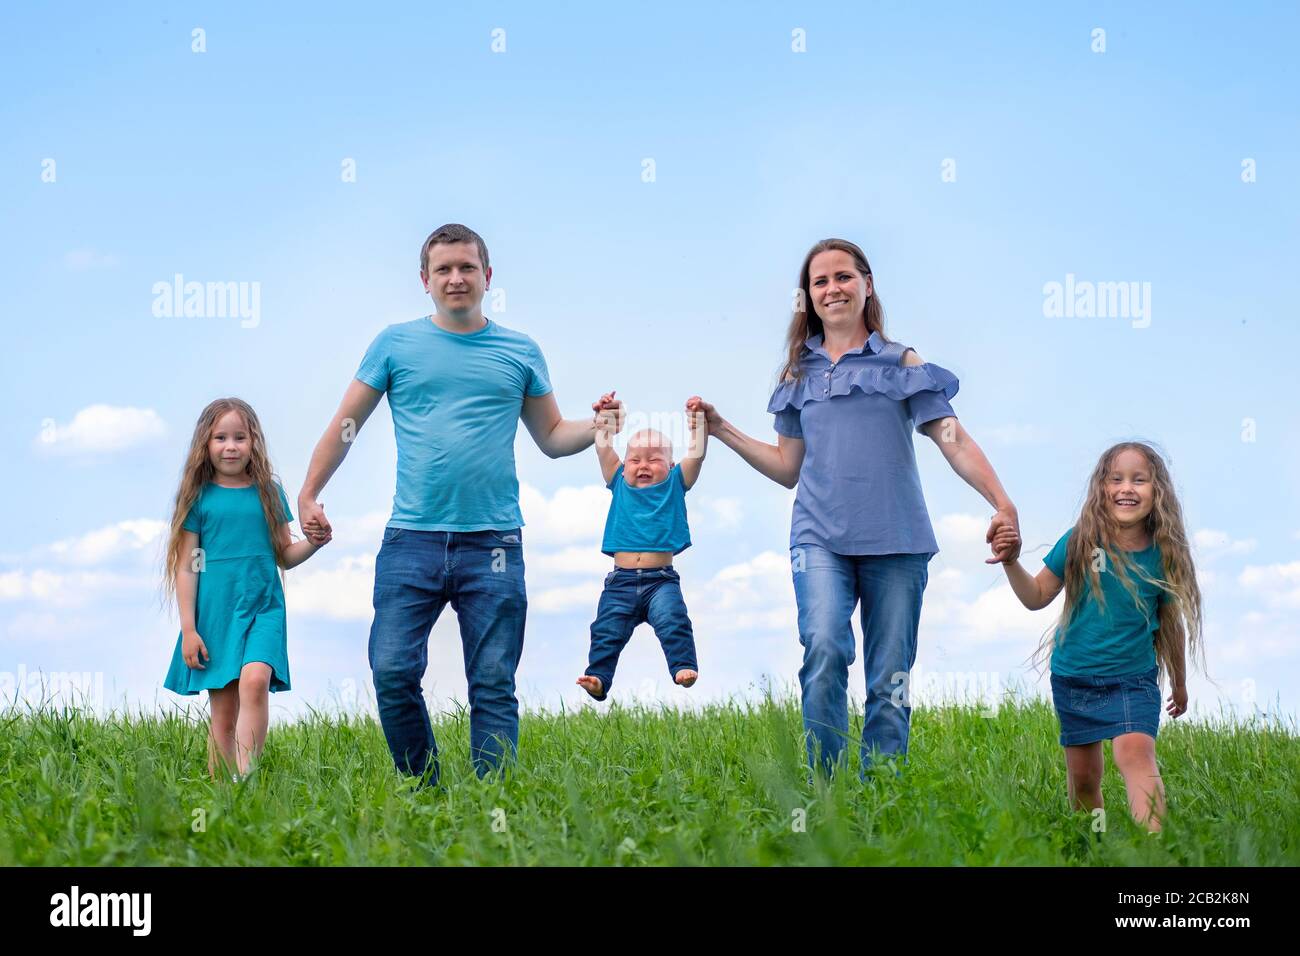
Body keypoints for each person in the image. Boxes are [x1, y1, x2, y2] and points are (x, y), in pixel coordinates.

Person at [687, 237, 1020, 777]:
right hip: (819, 538)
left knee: (889, 676)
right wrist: (722, 429)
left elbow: (953, 439)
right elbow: (786, 468)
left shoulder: (901, 362)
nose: (833, 288)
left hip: (898, 540)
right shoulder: (798, 373)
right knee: (823, 647)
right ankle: (827, 789)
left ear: (867, 285)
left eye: (843, 277)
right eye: (820, 281)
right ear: (808, 297)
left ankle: (881, 795)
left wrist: (1002, 502)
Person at [297, 223, 616, 785]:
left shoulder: (520, 351)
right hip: (410, 541)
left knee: (493, 682)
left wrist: (599, 427)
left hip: (493, 542)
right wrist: (309, 491)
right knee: (392, 671)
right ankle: (424, 789)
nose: (456, 278)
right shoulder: (395, 344)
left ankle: (496, 807)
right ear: (425, 280)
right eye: (443, 269)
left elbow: (551, 437)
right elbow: (347, 424)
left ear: (487, 276)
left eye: (467, 267)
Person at [995, 441, 1204, 832]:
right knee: (1085, 778)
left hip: (1132, 679)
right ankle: (1091, 843)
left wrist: (1178, 681)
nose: (1127, 488)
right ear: (1101, 489)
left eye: (1139, 480)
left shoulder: (1163, 553)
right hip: (1075, 677)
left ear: (1157, 492)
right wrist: (1010, 563)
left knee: (1136, 752)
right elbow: (1036, 597)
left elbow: (1170, 623)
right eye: (1117, 479)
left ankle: (1154, 846)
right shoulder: (1080, 541)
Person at [162, 398, 331, 780]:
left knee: (255, 680)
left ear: (254, 441)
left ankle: (245, 780)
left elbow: (285, 556)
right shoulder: (199, 499)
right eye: (220, 437)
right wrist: (189, 629)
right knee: (223, 710)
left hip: (263, 607)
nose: (231, 446)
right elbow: (188, 567)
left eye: (240, 437)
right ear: (205, 444)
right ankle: (222, 797)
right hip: (216, 614)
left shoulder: (269, 493)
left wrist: (315, 542)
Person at [576, 393, 706, 700]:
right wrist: (606, 416)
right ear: (624, 466)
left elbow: (697, 455)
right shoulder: (618, 480)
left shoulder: (676, 483)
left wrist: (698, 420)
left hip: (661, 581)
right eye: (634, 459)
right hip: (620, 581)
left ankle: (683, 666)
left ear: (671, 465)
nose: (642, 465)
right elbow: (603, 446)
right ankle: (598, 677)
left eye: (654, 459)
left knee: (673, 620)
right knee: (606, 629)